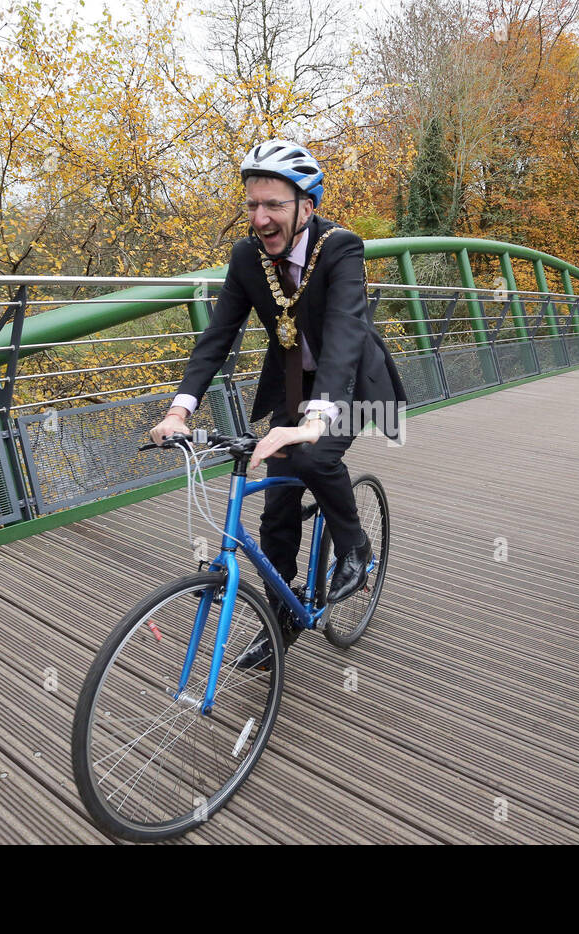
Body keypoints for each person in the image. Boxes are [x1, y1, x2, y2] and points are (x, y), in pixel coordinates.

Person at [151, 139, 407, 669]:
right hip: (293, 383)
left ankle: (355, 548)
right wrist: (181, 408)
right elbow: (219, 334)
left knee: (314, 456)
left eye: (273, 206)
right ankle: (280, 620)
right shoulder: (247, 256)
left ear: (306, 207)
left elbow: (342, 335)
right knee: (276, 508)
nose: (260, 217)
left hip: (349, 384)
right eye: (251, 205)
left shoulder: (340, 248)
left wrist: (316, 420)